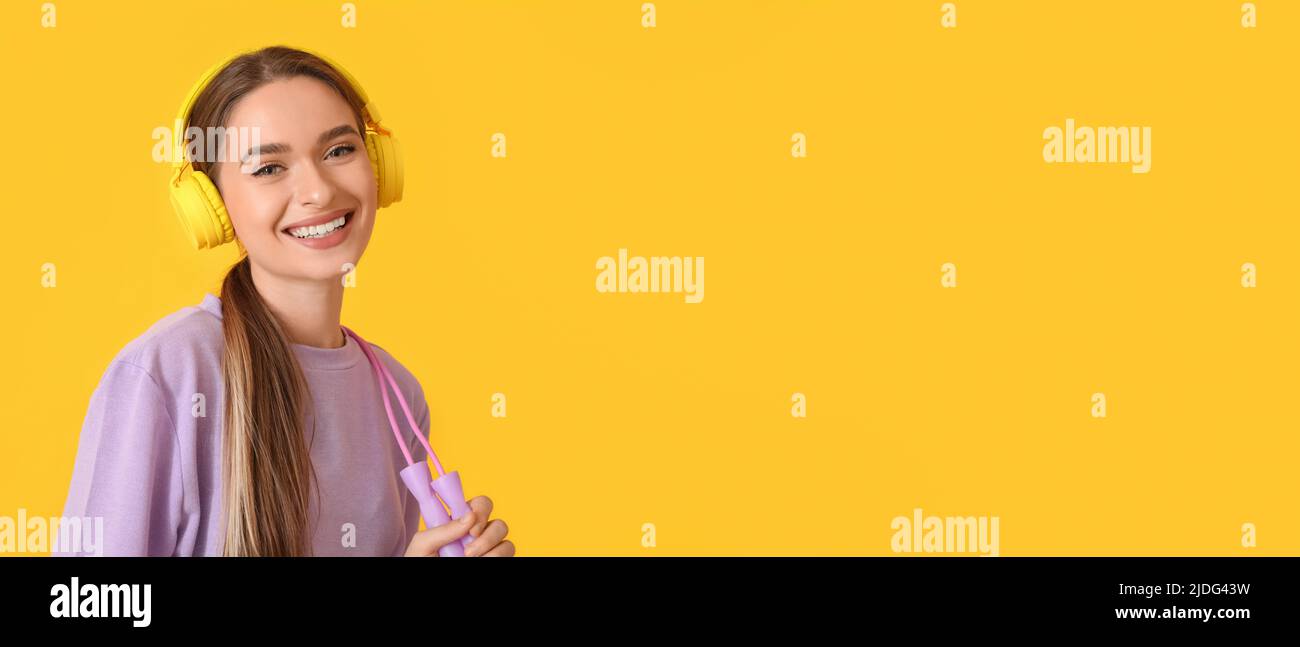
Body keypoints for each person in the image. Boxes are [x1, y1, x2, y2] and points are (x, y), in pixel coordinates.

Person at [54, 45, 513, 557]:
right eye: (269, 167)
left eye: (339, 150)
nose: (317, 190)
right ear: (214, 206)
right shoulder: (167, 373)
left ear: (379, 165)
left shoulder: (398, 395)